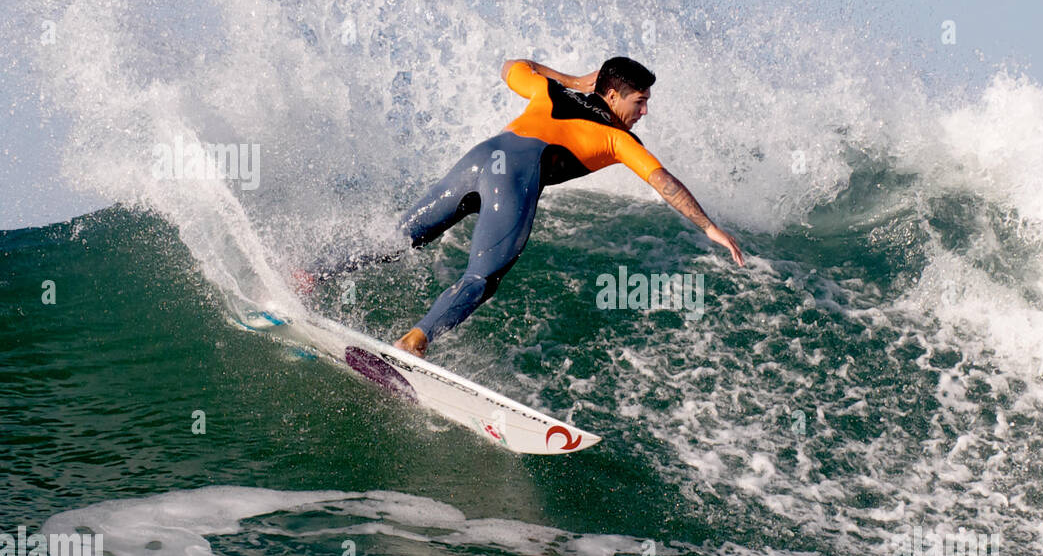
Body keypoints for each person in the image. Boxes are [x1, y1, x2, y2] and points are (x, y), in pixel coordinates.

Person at [297, 56, 745, 358]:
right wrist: (708, 227)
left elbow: (511, 67)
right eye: (639, 101)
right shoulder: (618, 140)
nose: (644, 111)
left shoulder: (549, 91)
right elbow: (663, 182)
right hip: (513, 179)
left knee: (400, 238)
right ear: (612, 97)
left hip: (477, 160)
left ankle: (309, 274)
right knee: (481, 279)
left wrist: (572, 80)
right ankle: (414, 340)